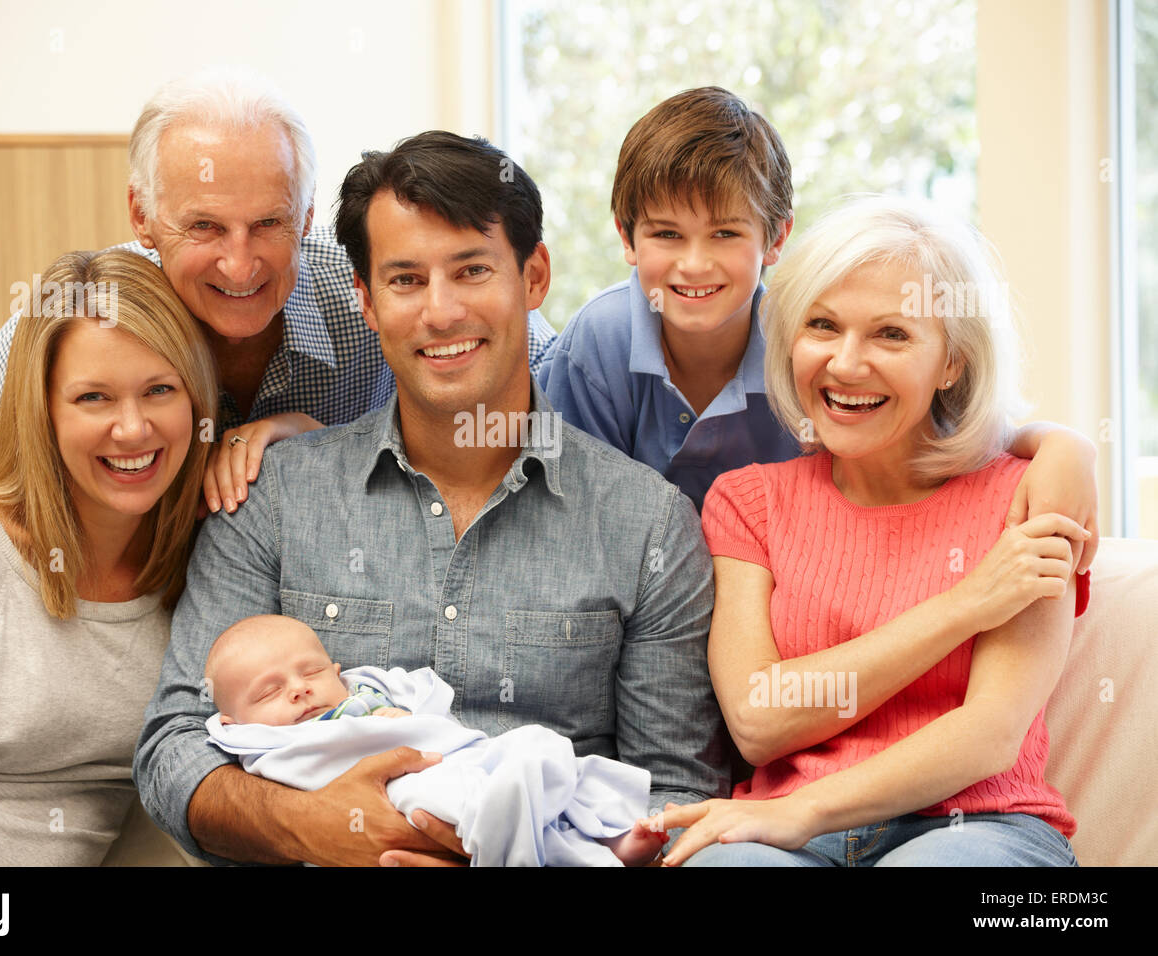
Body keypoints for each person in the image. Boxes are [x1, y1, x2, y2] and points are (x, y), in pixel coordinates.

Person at [134, 130, 728, 868]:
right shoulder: (273, 498)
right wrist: (310, 825)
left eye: (472, 270)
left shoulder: (648, 525)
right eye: (406, 280)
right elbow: (173, 748)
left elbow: (675, 795)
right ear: (366, 299)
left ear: (533, 276)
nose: (441, 313)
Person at [0, 68, 556, 561]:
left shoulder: (374, 295)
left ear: (307, 214)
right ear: (143, 215)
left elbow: (535, 354)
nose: (240, 263)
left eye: (269, 223)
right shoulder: (74, 325)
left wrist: (313, 444)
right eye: (204, 229)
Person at [654, 196, 1091, 867]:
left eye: (892, 334)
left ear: (952, 363)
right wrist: (967, 603)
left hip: (977, 828)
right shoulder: (748, 503)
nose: (847, 364)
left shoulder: (1026, 496)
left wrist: (805, 809)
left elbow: (990, 733)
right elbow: (758, 720)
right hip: (788, 834)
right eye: (822, 326)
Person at [537, 88, 1098, 575]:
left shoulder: (808, 344)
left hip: (769, 599)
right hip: (646, 604)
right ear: (627, 238)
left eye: (726, 234)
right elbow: (568, 511)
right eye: (667, 235)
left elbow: (952, 428)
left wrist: (1066, 446)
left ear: (776, 238)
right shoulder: (601, 339)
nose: (695, 265)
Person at [0, 250, 218, 866]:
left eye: (159, 390)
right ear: (42, 410)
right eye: (94, 398)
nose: (132, 429)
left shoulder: (202, 566)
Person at [203, 615, 666, 866]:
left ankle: (605, 834)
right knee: (475, 800)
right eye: (268, 692)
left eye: (311, 671)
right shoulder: (270, 747)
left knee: (539, 752)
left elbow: (429, 698)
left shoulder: (369, 690)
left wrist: (399, 712)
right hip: (395, 794)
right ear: (234, 722)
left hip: (458, 756)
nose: (298, 689)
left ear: (337, 671)